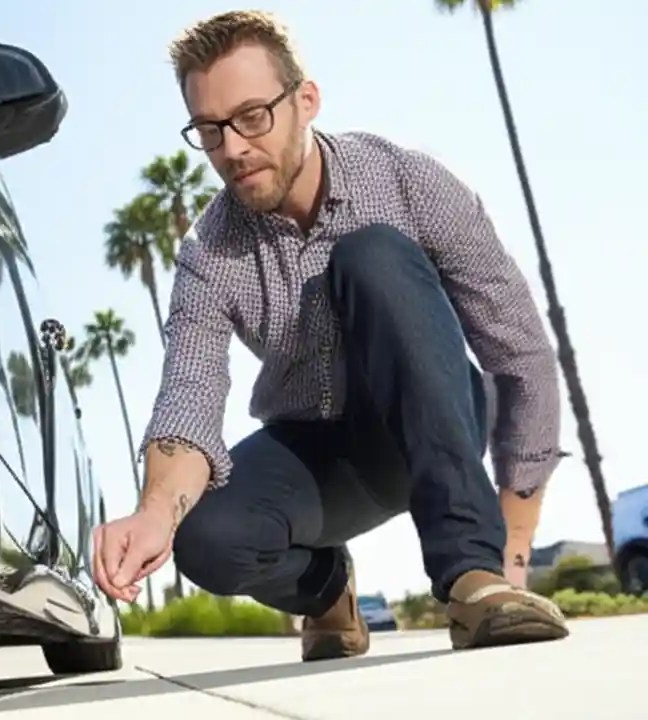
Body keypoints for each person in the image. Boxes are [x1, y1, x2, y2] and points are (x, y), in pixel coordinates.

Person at [91, 9, 570, 660]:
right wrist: (154, 512)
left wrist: (511, 554)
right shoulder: (209, 251)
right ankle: (327, 593)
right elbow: (190, 391)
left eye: (252, 116)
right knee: (204, 535)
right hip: (317, 453)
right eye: (210, 130)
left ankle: (470, 575)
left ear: (306, 101)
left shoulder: (408, 182)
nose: (232, 148)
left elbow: (518, 353)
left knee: (371, 255)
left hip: (436, 417)